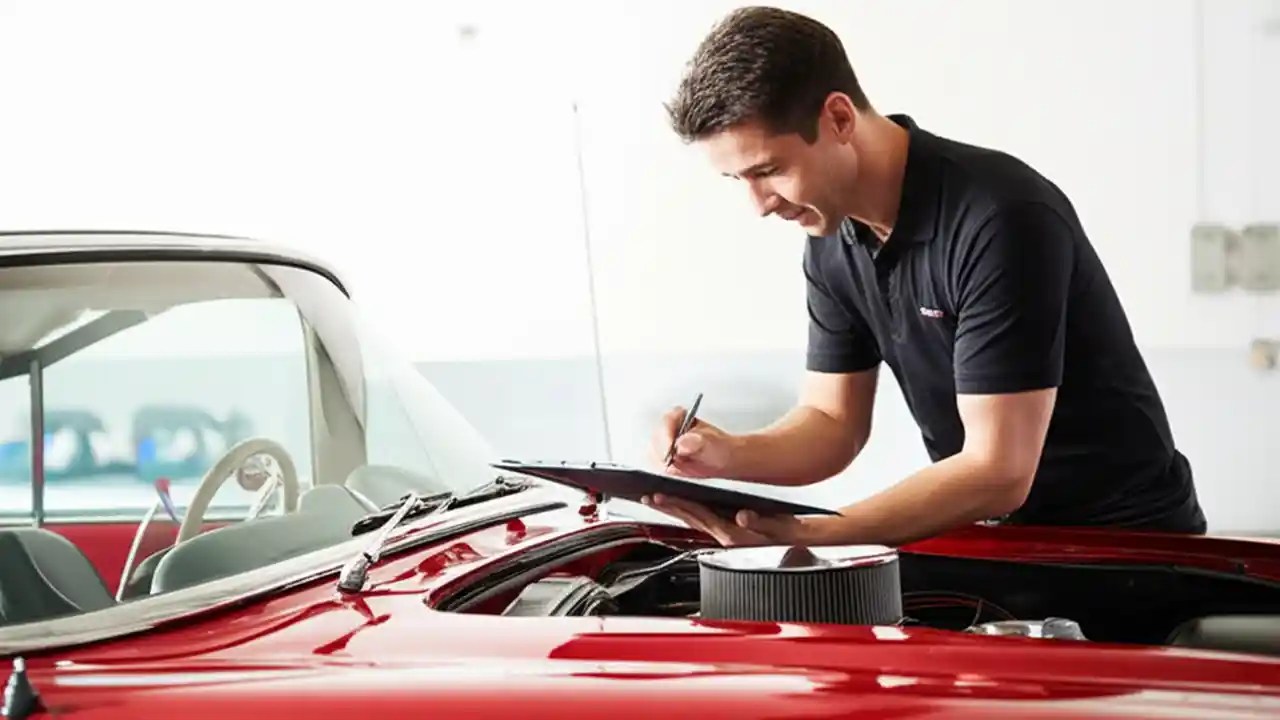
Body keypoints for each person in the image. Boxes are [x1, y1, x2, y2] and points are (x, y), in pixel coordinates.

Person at [641, 6, 1206, 547]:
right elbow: (832, 423)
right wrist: (727, 453)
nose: (759, 205)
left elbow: (999, 469)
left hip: (1127, 546)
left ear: (839, 118)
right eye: (737, 180)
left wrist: (823, 533)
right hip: (999, 542)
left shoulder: (1000, 218)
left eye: (768, 171)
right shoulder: (830, 238)